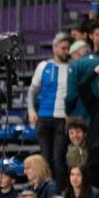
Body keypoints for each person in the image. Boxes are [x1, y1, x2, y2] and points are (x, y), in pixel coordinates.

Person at [27, 33, 72, 186]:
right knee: (45, 159)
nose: (66, 51)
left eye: (68, 48)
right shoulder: (43, 66)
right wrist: (31, 110)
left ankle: (59, 192)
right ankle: (46, 190)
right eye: (63, 48)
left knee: (58, 158)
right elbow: (32, 90)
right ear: (54, 48)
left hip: (62, 118)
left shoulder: (72, 67)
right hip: (44, 117)